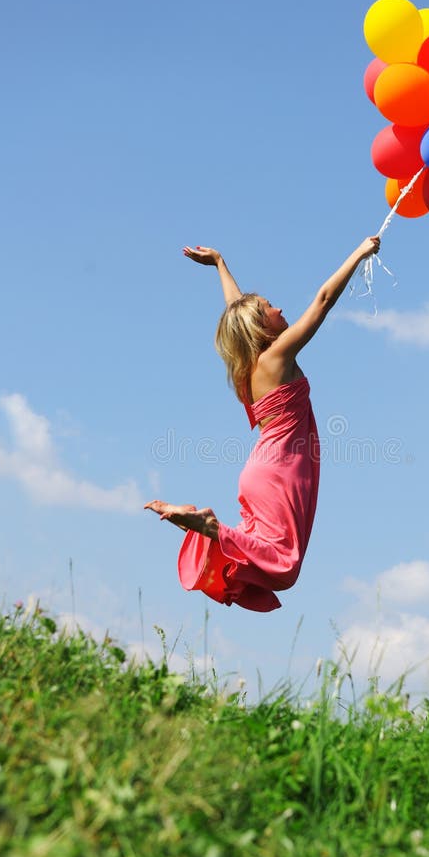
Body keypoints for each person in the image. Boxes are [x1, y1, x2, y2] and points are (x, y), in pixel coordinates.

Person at [145, 235, 380, 612]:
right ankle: (210, 528)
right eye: (271, 307)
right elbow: (322, 301)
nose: (280, 308)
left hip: (263, 469)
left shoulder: (249, 369)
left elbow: (237, 310)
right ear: (260, 326)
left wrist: (221, 263)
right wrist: (360, 252)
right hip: (280, 469)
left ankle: (213, 528)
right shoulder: (277, 356)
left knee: (279, 564)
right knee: (283, 565)